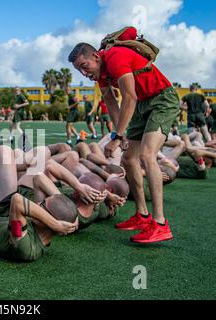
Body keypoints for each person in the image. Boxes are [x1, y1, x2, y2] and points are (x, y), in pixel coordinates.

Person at [69, 38, 180, 244]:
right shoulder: (101, 75)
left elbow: (129, 97)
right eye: (79, 71)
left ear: (96, 56)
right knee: (129, 159)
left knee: (147, 155)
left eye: (84, 67)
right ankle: (142, 215)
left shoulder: (115, 57)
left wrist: (119, 136)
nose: (84, 73)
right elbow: (111, 102)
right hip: (142, 104)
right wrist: (118, 135)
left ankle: (160, 223)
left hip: (162, 99)